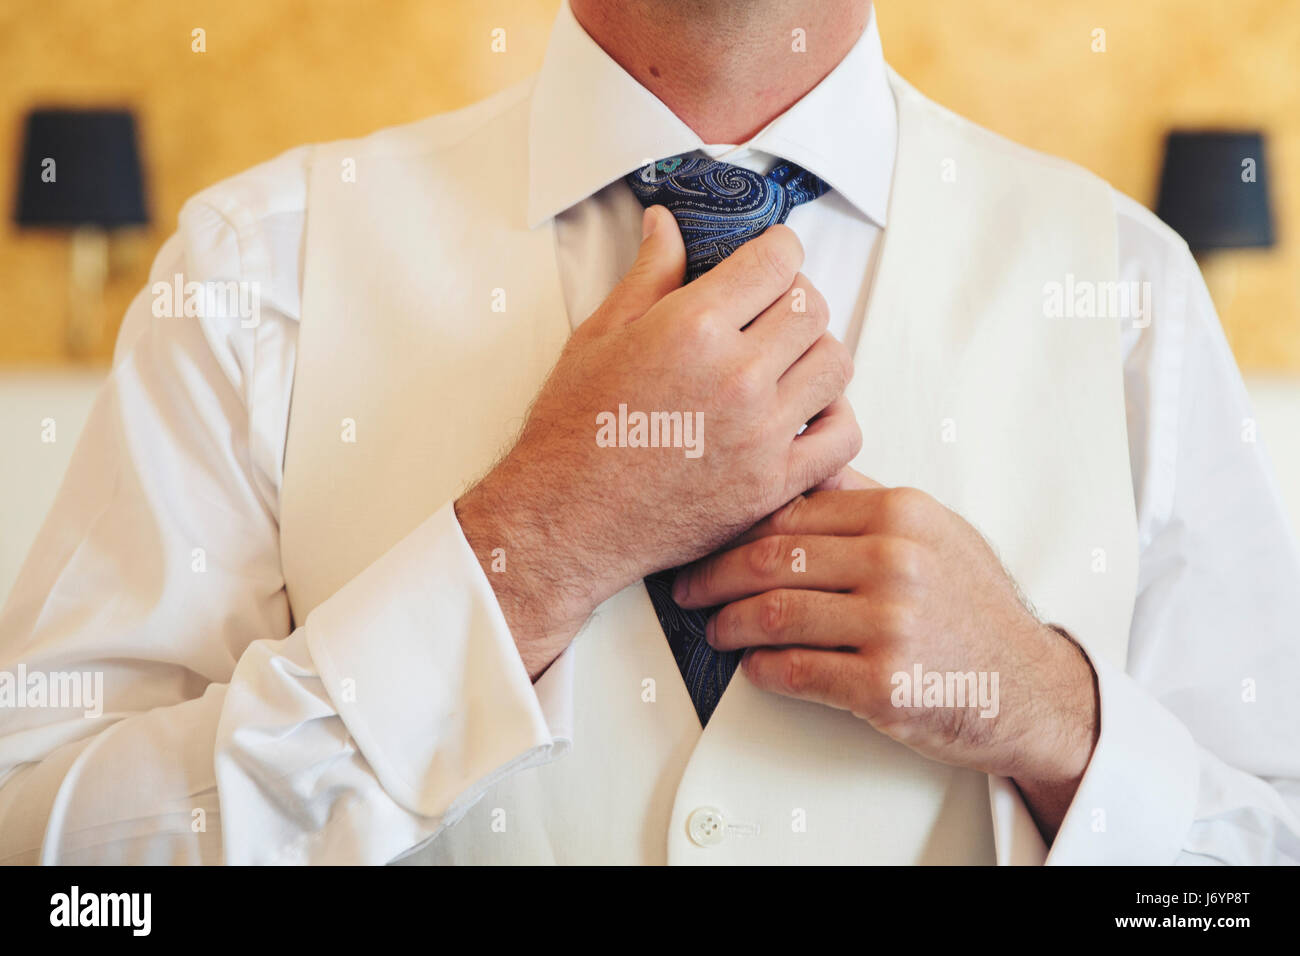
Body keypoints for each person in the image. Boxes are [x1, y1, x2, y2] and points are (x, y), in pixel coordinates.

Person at [1, 0, 1297, 865]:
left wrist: (1050, 714)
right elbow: (54, 860)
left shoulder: (1130, 286)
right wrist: (530, 552)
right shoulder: (252, 270)